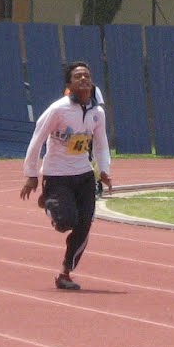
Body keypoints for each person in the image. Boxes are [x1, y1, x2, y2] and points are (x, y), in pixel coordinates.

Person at [20, 61, 112, 291]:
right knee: (66, 222)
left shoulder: (97, 113)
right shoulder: (58, 109)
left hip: (84, 175)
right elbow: (37, 139)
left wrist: (104, 171)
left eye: (87, 76)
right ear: (69, 83)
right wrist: (31, 174)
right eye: (78, 76)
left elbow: (101, 145)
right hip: (57, 174)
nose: (84, 79)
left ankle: (65, 272)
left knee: (84, 225)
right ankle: (49, 202)